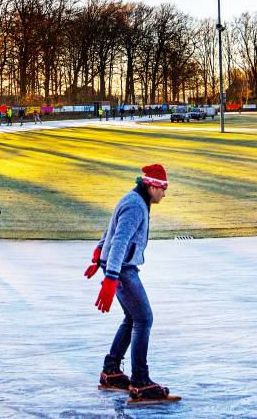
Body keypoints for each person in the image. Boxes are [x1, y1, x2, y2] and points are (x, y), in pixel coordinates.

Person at [85, 163, 176, 403]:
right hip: (122, 269)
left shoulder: (135, 199)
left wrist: (97, 255)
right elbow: (120, 240)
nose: (165, 194)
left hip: (119, 266)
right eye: (163, 188)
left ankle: (111, 371)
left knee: (132, 318)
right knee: (144, 319)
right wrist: (111, 277)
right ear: (151, 185)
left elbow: (110, 232)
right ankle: (140, 382)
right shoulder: (136, 205)